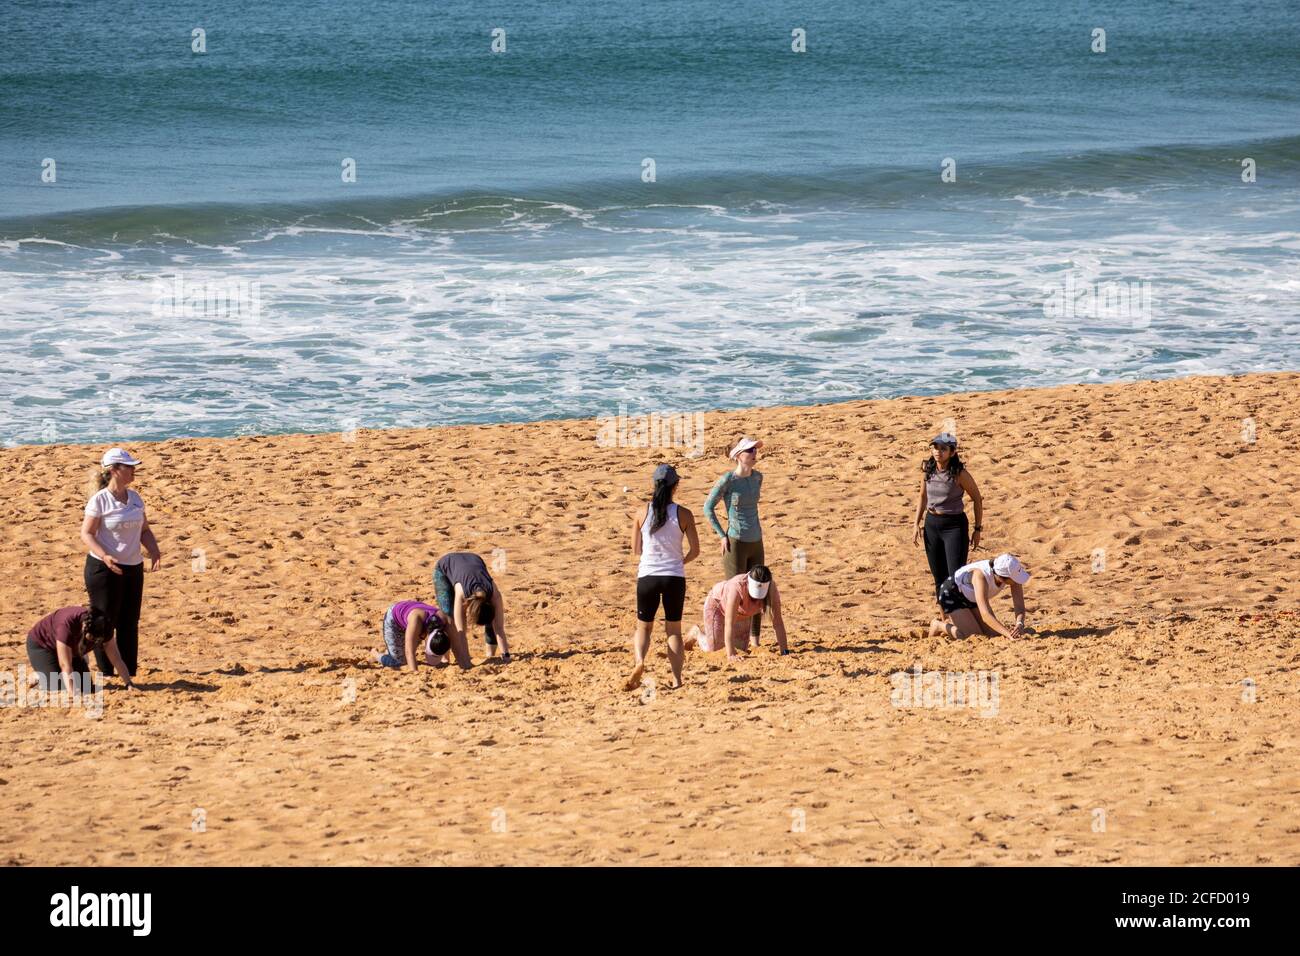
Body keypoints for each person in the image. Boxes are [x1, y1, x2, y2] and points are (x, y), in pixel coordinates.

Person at [80, 448, 161, 678]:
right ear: (115, 470)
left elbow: (144, 529)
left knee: (129, 622)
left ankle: (129, 672)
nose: (134, 470)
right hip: (103, 569)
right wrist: (105, 555)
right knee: (104, 623)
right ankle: (106, 673)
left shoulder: (134, 498)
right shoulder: (100, 500)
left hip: (133, 567)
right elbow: (87, 534)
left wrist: (153, 549)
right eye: (129, 466)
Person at [624, 463, 700, 691]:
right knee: (674, 631)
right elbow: (695, 551)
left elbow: (635, 549)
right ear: (675, 486)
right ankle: (677, 680)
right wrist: (679, 562)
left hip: (647, 575)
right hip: (673, 577)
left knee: (643, 628)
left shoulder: (641, 512)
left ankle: (639, 662)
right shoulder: (684, 514)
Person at [703, 436, 766, 642]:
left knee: (759, 587)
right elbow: (708, 508)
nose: (754, 454)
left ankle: (755, 638)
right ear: (738, 456)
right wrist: (722, 535)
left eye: (755, 450)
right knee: (735, 593)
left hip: (756, 540)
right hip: (735, 542)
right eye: (750, 451)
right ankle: (734, 639)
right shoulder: (728, 480)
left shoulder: (758, 478)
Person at [912, 432, 983, 600]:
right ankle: (945, 619)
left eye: (943, 449)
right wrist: (916, 523)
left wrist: (977, 529)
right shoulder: (928, 470)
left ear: (952, 452)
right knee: (939, 578)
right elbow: (922, 496)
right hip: (932, 524)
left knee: (956, 578)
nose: (938, 451)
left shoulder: (960, 474)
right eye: (935, 447)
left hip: (954, 526)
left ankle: (962, 617)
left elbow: (977, 499)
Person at [26, 605, 136, 693]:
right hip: (44, 646)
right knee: (58, 686)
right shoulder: (67, 626)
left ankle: (49, 672)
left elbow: (116, 659)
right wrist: (72, 692)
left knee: (86, 687)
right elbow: (65, 664)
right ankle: (39, 675)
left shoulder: (105, 629)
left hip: (71, 650)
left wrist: (128, 683)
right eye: (92, 639)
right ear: (84, 628)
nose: (93, 643)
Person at [695, 566, 789, 660]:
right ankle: (697, 633)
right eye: (754, 596)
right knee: (715, 649)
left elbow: (778, 622)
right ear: (748, 583)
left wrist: (784, 651)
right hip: (717, 607)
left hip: (743, 614)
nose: (756, 600)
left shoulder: (771, 588)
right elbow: (729, 623)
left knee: (740, 650)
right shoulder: (737, 586)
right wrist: (730, 654)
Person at [930, 553, 1030, 640]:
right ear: (1002, 577)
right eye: (1014, 578)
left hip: (972, 596)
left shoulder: (1012, 576)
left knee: (993, 634)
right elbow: (985, 615)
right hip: (952, 593)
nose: (1018, 581)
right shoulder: (980, 576)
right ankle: (938, 625)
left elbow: (1019, 607)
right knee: (971, 636)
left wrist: (1019, 624)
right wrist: (1009, 634)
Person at [433, 552, 511, 662]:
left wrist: (506, 655)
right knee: (449, 617)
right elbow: (460, 632)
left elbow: (499, 628)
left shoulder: (495, 595)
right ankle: (445, 658)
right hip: (445, 565)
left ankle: (490, 654)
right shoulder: (462, 595)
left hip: (474, 559)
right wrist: (465, 660)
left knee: (493, 620)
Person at [372, 599, 464, 671]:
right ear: (427, 638)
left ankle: (392, 650)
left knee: (403, 648)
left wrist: (464, 665)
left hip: (412, 615)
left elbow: (457, 647)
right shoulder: (416, 622)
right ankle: (375, 654)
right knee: (400, 662)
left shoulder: (447, 621)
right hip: (394, 619)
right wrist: (414, 672)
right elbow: (409, 652)